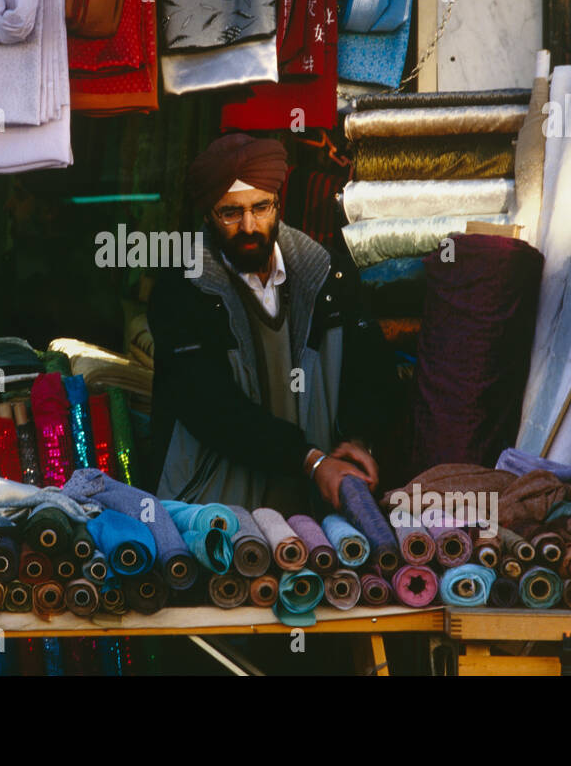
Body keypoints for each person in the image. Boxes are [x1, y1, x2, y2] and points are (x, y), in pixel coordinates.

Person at [149, 133, 401, 515]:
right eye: (230, 212)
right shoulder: (181, 287)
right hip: (213, 514)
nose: (249, 226)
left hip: (314, 515)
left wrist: (359, 439)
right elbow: (210, 406)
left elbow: (371, 369)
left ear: (278, 205)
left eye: (260, 207)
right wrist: (311, 460)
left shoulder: (326, 275)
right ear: (206, 216)